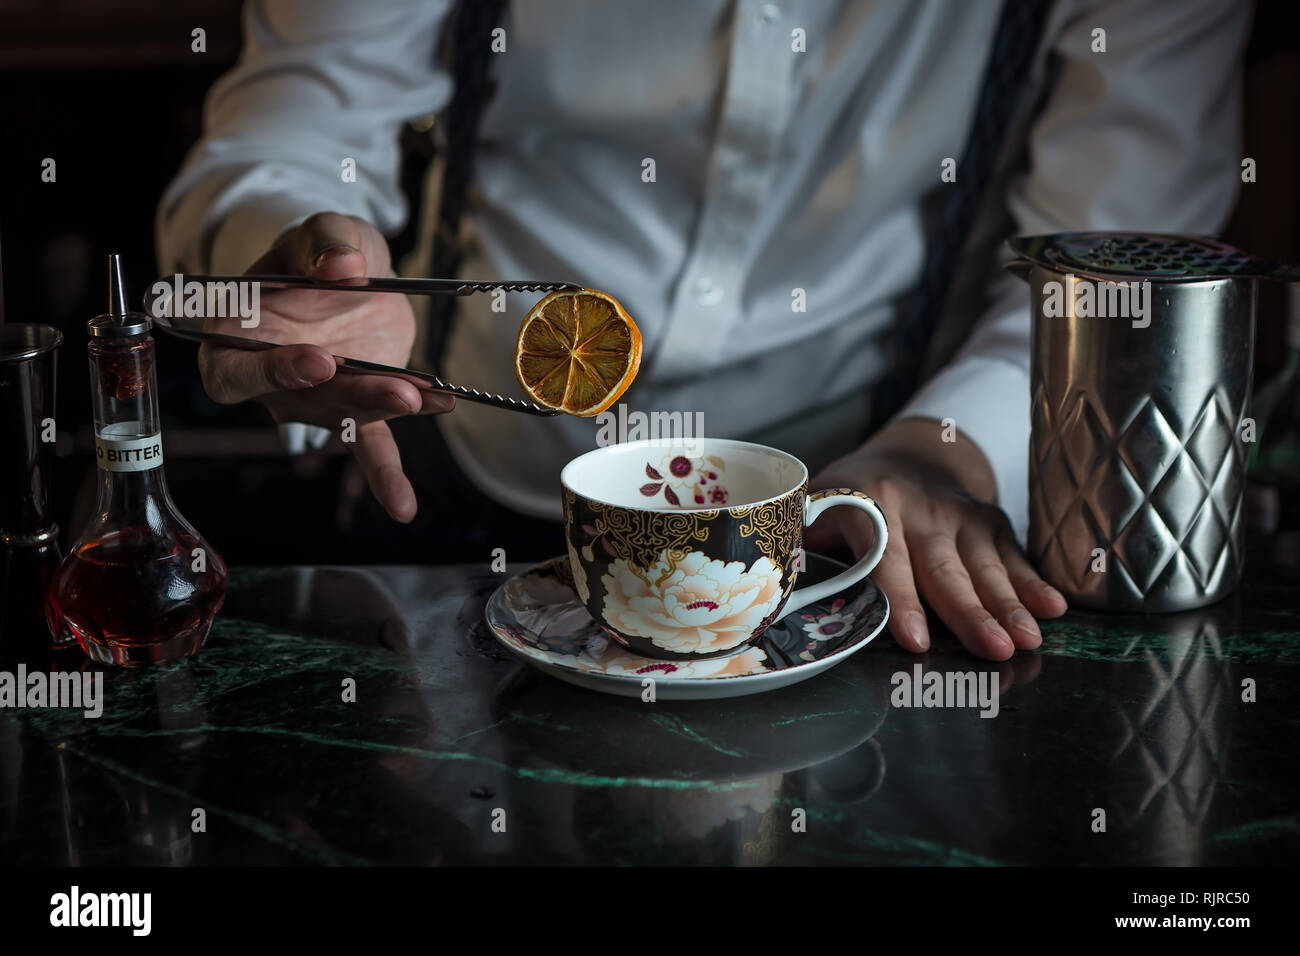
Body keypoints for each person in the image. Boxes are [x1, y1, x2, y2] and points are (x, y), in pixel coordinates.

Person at [157, 0, 1249, 661]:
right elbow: (296, 120)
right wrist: (295, 260)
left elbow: (1107, 263)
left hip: (863, 558)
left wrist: (943, 448)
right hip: (449, 514)